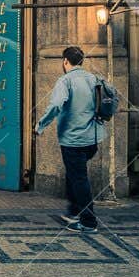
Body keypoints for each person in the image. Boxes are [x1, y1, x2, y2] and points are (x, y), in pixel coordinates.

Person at [34, 46, 105, 234]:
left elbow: (56, 104)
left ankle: (88, 222)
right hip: (92, 138)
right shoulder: (93, 79)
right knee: (74, 174)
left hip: (73, 139)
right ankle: (74, 210)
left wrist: (41, 125)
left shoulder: (65, 81)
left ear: (65, 61)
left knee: (79, 178)